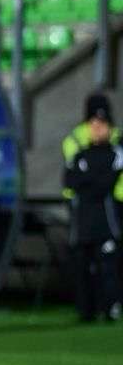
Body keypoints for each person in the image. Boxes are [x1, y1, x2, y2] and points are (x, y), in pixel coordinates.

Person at [62, 94, 123, 322]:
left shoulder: (117, 148)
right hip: (83, 216)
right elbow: (71, 180)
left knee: (108, 266)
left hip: (110, 214)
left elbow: (105, 182)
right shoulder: (76, 147)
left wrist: (90, 181)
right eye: (94, 124)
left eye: (102, 124)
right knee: (83, 266)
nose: (98, 128)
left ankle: (110, 308)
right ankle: (86, 310)